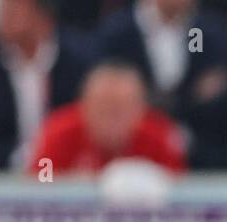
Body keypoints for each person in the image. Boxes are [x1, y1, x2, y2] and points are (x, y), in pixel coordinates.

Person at [99, 0, 227, 169]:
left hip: (194, 143)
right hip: (132, 138)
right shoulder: (119, 32)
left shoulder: (200, 32)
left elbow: (210, 76)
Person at [27, 59, 187, 173]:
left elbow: (180, 193)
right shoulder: (57, 133)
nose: (110, 120)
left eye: (119, 110)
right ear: (84, 105)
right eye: (102, 108)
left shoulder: (160, 137)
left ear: (140, 110)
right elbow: (36, 188)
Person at [0, 0, 96, 169]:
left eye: (12, 7)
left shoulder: (81, 62)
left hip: (66, 170)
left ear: (41, 14)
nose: (2, 16)